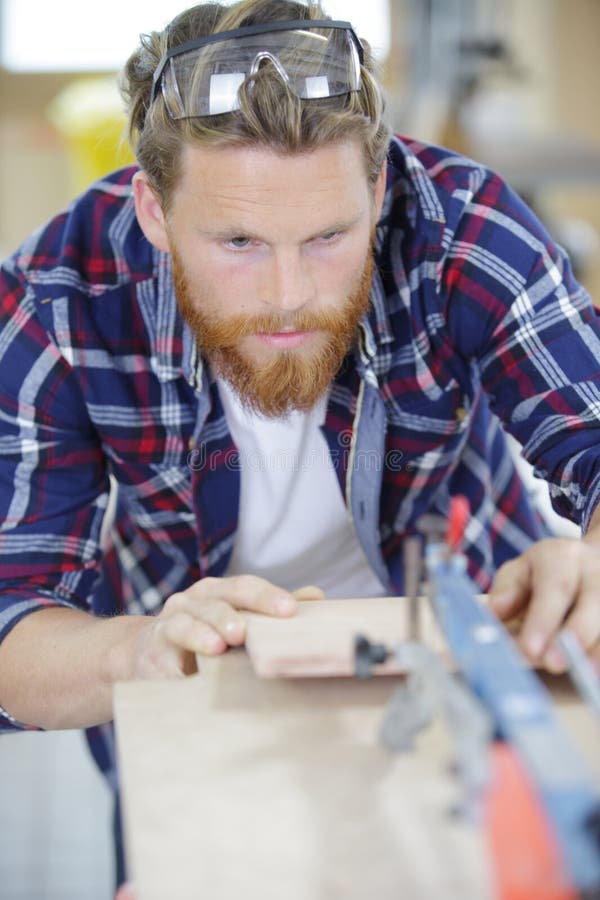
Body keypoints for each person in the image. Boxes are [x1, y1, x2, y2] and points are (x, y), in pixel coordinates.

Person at [1, 0, 600, 888]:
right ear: (156, 212)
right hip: (183, 654)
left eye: (329, 237)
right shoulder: (57, 297)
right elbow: (13, 625)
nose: (289, 294)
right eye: (238, 241)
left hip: (463, 631)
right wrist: (141, 652)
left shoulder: (464, 227)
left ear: (380, 188)